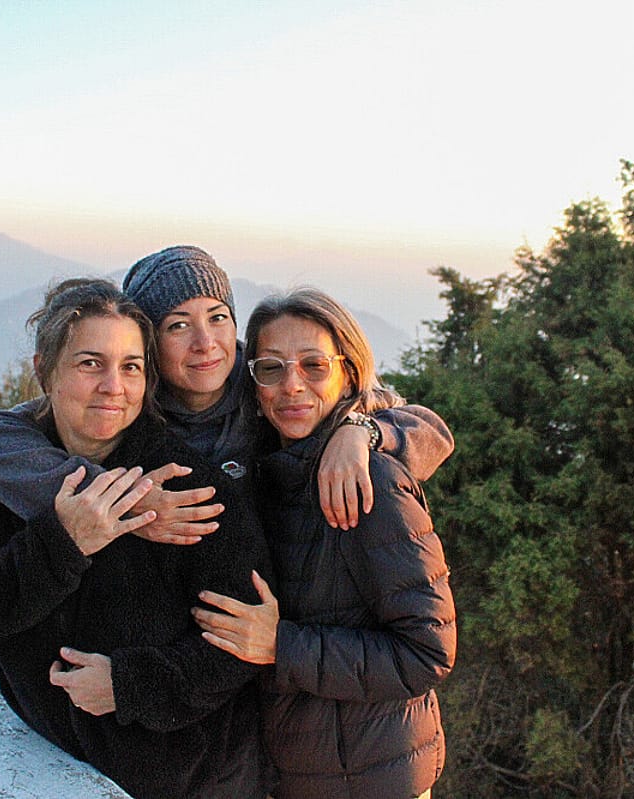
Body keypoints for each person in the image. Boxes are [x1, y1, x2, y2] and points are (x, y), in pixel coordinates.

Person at [0, 279, 276, 799]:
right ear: (44, 370)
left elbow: (241, 644)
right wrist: (63, 541)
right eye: (91, 363)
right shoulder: (5, 477)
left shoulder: (187, 488)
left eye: (131, 366)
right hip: (43, 763)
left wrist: (130, 685)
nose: (113, 385)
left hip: (190, 782)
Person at [0, 245, 454, 543]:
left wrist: (359, 431)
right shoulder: (127, 405)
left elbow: (425, 426)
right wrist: (125, 503)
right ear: (151, 344)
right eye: (179, 325)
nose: (206, 344)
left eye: (218, 317)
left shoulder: (262, 382)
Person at [192, 287, 457, 799]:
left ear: (348, 372)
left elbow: (427, 653)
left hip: (373, 782)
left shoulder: (367, 479)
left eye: (314, 365)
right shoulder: (270, 469)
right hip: (300, 774)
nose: (291, 385)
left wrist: (279, 645)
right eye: (271, 368)